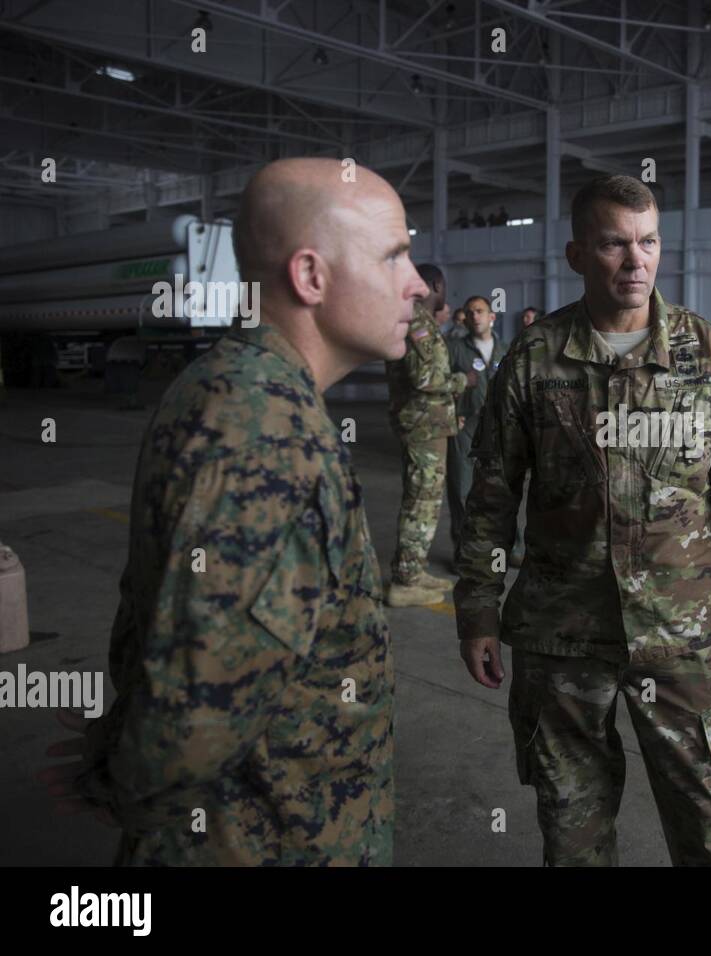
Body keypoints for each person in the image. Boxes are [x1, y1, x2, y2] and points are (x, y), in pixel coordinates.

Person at [40, 157, 428, 865]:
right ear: (310, 277)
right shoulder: (262, 428)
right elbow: (197, 712)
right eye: (396, 255)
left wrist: (120, 753)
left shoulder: (234, 385)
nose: (419, 284)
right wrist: (127, 781)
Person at [453, 174, 711, 866]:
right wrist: (477, 610)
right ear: (577, 255)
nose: (636, 260)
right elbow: (489, 503)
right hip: (563, 635)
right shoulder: (534, 360)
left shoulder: (703, 353)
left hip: (684, 636)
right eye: (614, 244)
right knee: (573, 833)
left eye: (648, 241)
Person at [384, 263, 469, 606]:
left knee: (425, 501)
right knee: (422, 501)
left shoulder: (420, 320)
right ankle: (405, 581)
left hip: (428, 424)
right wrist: (462, 382)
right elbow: (425, 379)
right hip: (422, 426)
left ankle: (413, 571)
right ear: (435, 284)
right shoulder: (418, 321)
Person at [446, 295, 510, 564]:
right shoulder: (454, 348)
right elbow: (436, 383)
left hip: (497, 425)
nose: (475, 316)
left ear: (491, 316)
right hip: (465, 425)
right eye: (470, 312)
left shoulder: (505, 349)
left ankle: (509, 549)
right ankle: (464, 552)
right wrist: (451, 413)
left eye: (480, 311)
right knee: (462, 489)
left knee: (503, 488)